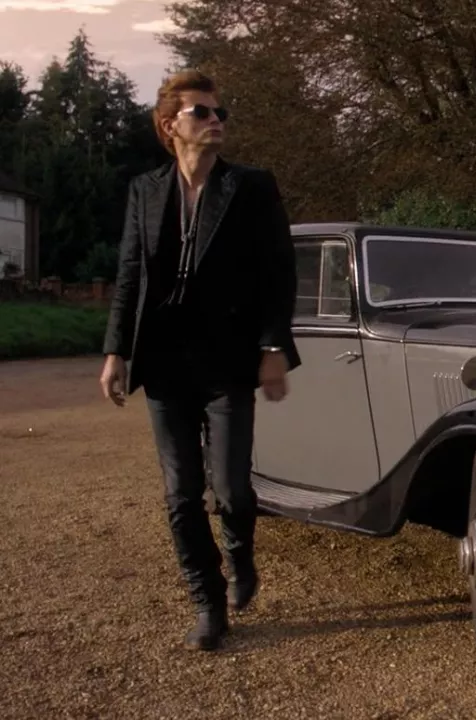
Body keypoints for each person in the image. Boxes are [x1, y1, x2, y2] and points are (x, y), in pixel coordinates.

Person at [99, 70, 301, 650]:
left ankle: (240, 555)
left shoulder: (252, 187)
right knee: (181, 493)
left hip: (229, 360)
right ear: (171, 127)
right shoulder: (146, 190)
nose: (216, 121)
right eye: (202, 113)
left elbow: (277, 275)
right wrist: (116, 352)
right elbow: (129, 276)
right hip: (163, 362)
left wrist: (271, 348)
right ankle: (207, 601)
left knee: (233, 489)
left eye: (220, 113)